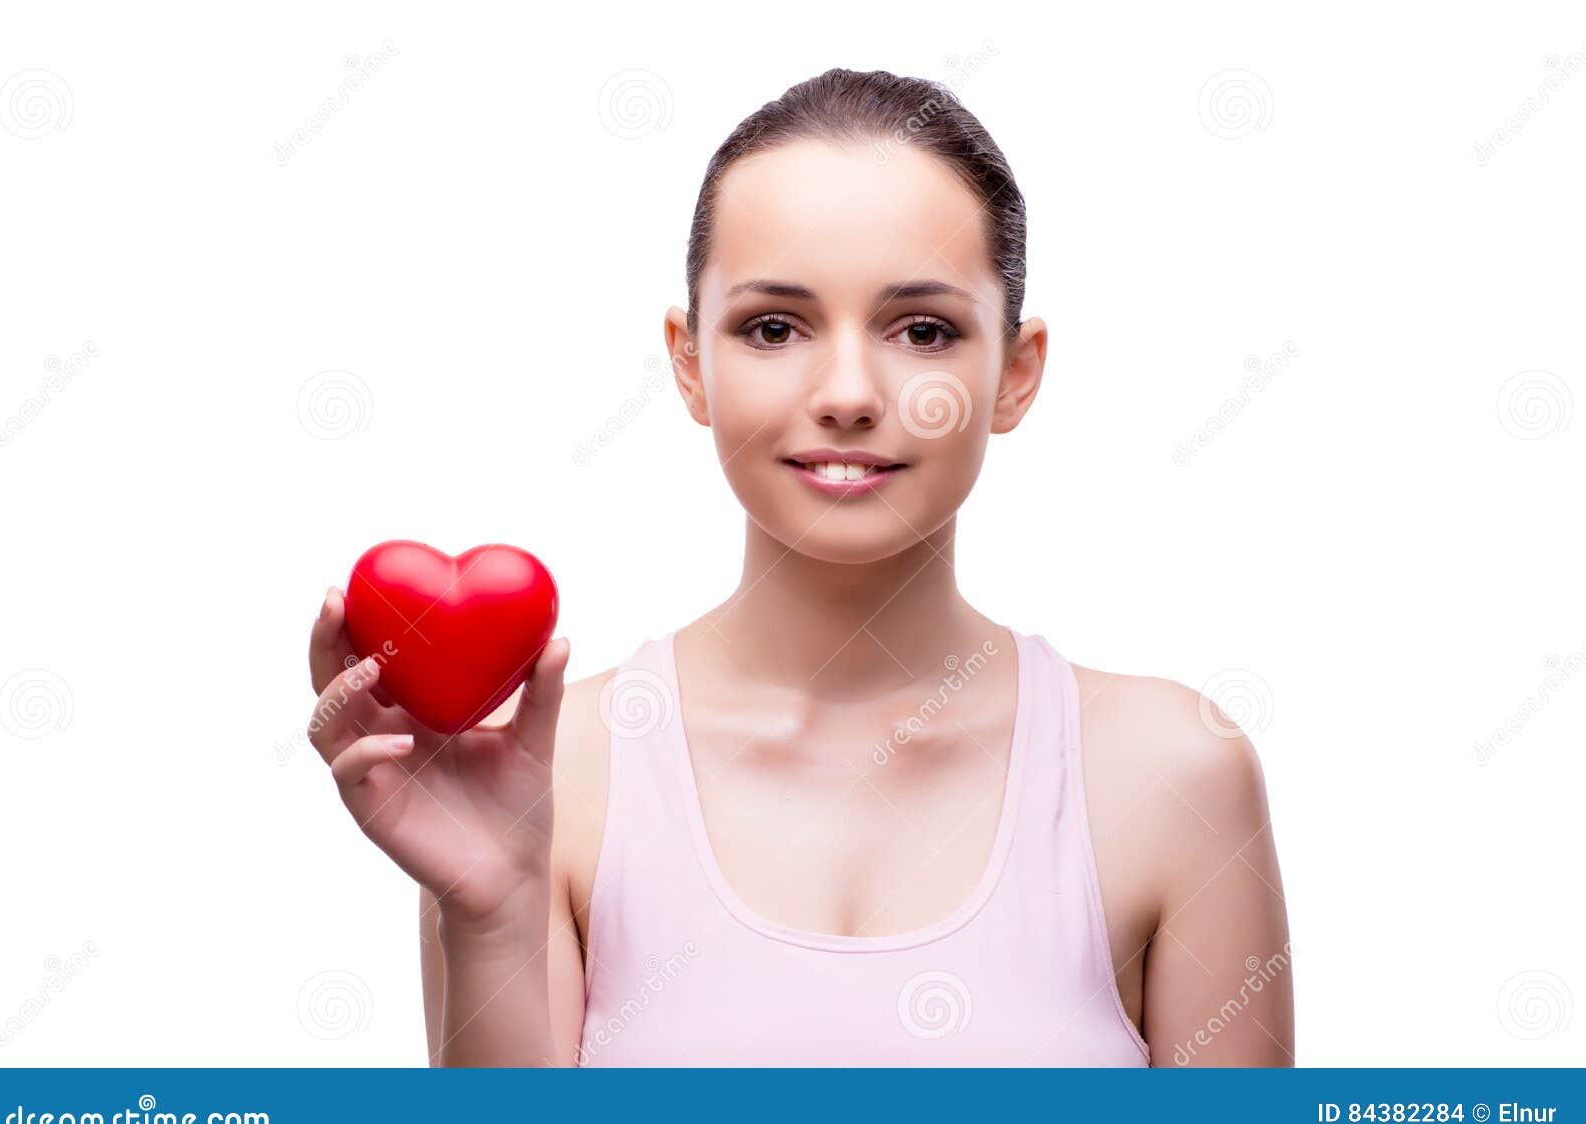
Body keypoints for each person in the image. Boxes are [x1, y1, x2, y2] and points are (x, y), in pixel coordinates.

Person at [305, 67, 1294, 1067]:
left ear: (1016, 370)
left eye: (923, 330)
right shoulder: (553, 778)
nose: (849, 394)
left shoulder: (1173, 773)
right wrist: (487, 914)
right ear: (689, 362)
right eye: (774, 327)